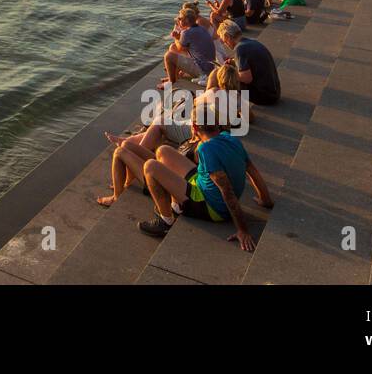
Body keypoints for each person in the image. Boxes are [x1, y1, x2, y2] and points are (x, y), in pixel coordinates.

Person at [97, 63, 242, 206]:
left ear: (196, 127)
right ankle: (127, 177)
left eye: (193, 123)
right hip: (174, 171)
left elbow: (220, 186)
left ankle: (119, 193)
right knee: (132, 145)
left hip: (162, 182)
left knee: (120, 152)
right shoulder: (212, 140)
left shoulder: (202, 149)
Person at [137, 100, 274, 248]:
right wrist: (265, 199)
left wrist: (242, 230)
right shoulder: (231, 138)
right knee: (163, 151)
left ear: (194, 127)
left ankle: (165, 220)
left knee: (150, 166)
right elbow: (252, 170)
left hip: (210, 208)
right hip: (202, 185)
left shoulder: (206, 150)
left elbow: (226, 190)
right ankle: (176, 204)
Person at [217, 21, 280, 105]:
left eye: (224, 41)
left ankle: (223, 103)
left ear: (227, 36)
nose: (225, 44)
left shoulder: (240, 49)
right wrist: (234, 61)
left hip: (264, 97)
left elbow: (246, 79)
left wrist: (227, 73)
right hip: (274, 92)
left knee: (222, 75)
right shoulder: (251, 42)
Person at [162, 10, 217, 87]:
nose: (178, 20)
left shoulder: (186, 32)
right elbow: (187, 46)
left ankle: (171, 82)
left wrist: (175, 37)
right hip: (210, 66)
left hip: (202, 70)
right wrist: (179, 38)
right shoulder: (201, 28)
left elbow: (181, 48)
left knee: (168, 56)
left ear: (187, 20)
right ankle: (175, 76)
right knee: (173, 47)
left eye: (180, 18)